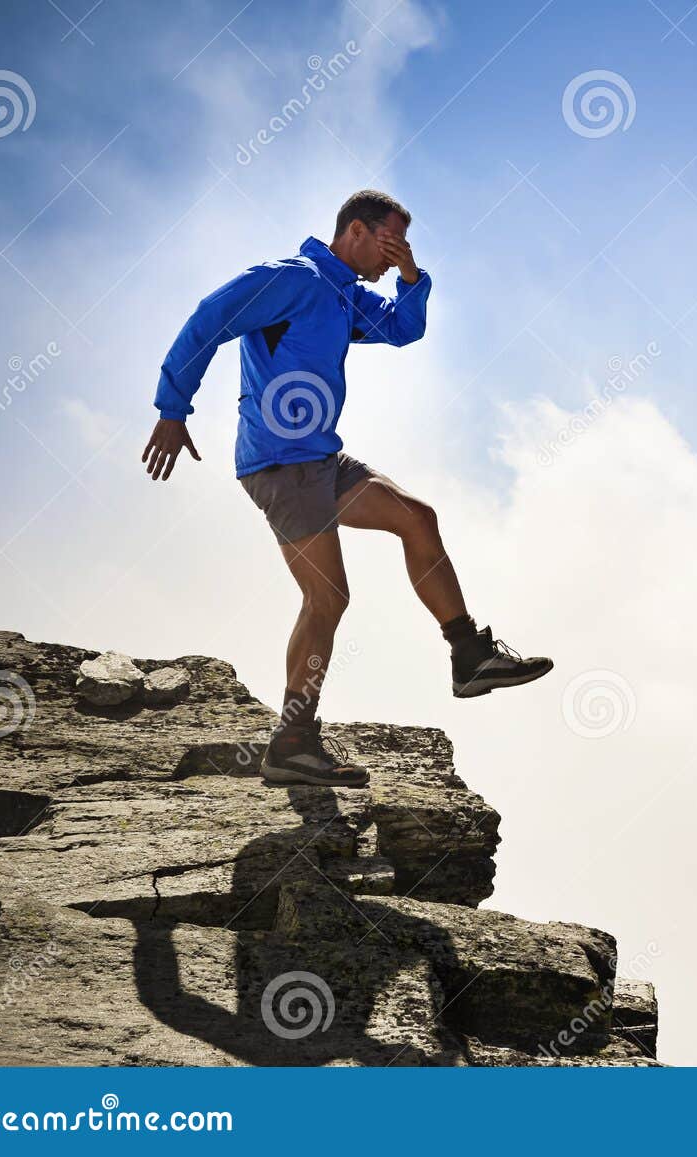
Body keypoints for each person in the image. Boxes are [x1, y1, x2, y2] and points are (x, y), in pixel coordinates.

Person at [142, 189, 552, 788]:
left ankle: (469, 656)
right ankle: (292, 743)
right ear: (356, 231)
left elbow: (401, 330)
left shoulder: (343, 296)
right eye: (391, 243)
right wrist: (173, 409)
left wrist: (412, 275)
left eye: (403, 247)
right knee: (328, 600)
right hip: (281, 466)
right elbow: (210, 318)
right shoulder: (292, 280)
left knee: (416, 517)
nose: (396, 256)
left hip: (321, 460)